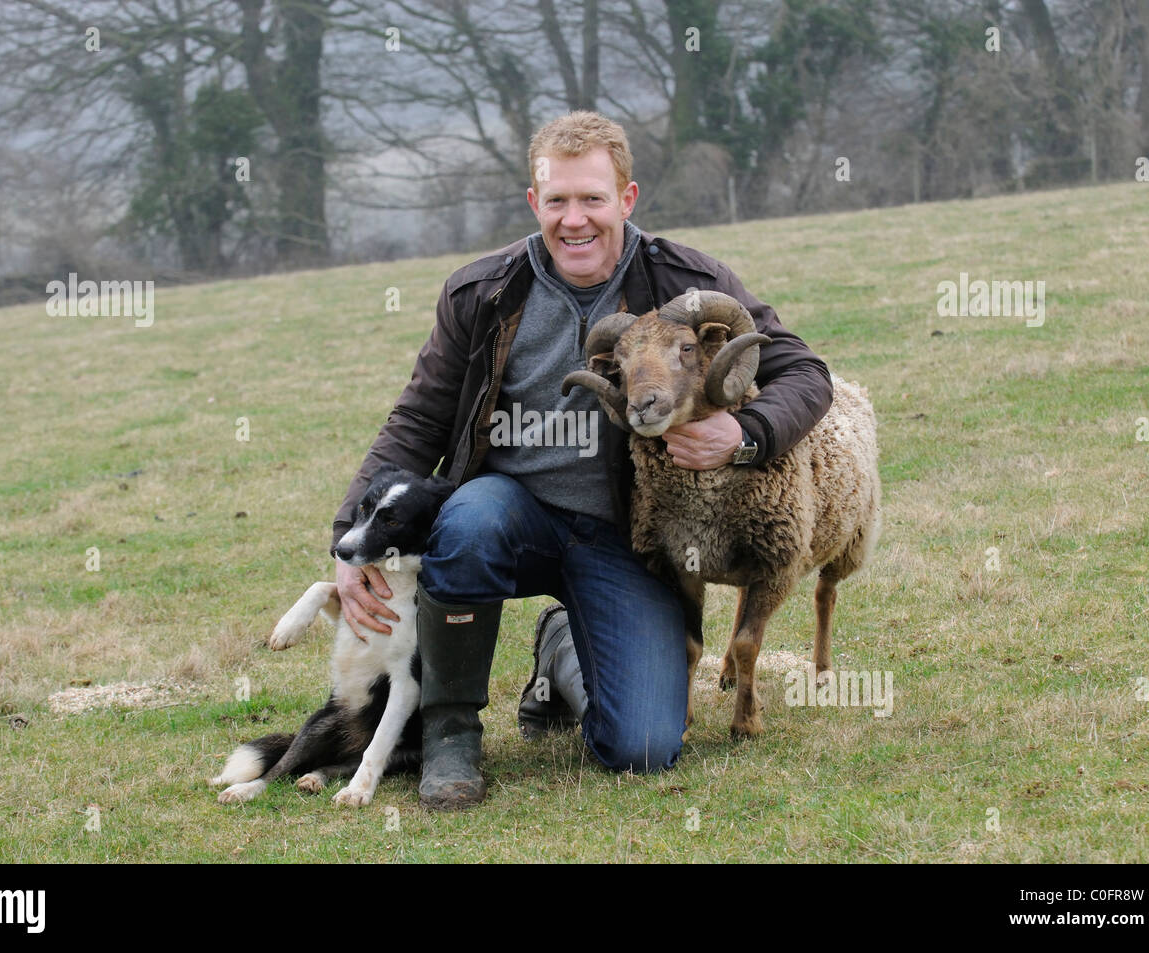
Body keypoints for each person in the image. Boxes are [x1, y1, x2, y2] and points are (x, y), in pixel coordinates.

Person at [329, 111, 832, 810]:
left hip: (630, 536)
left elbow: (805, 372)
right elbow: (417, 420)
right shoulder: (481, 291)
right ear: (534, 202)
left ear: (626, 200)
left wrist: (743, 434)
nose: (575, 220)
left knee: (644, 748)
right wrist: (350, 538)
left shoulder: (687, 282)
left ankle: (563, 648)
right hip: (506, 515)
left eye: (592, 199)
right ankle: (450, 733)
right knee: (469, 516)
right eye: (557, 201)